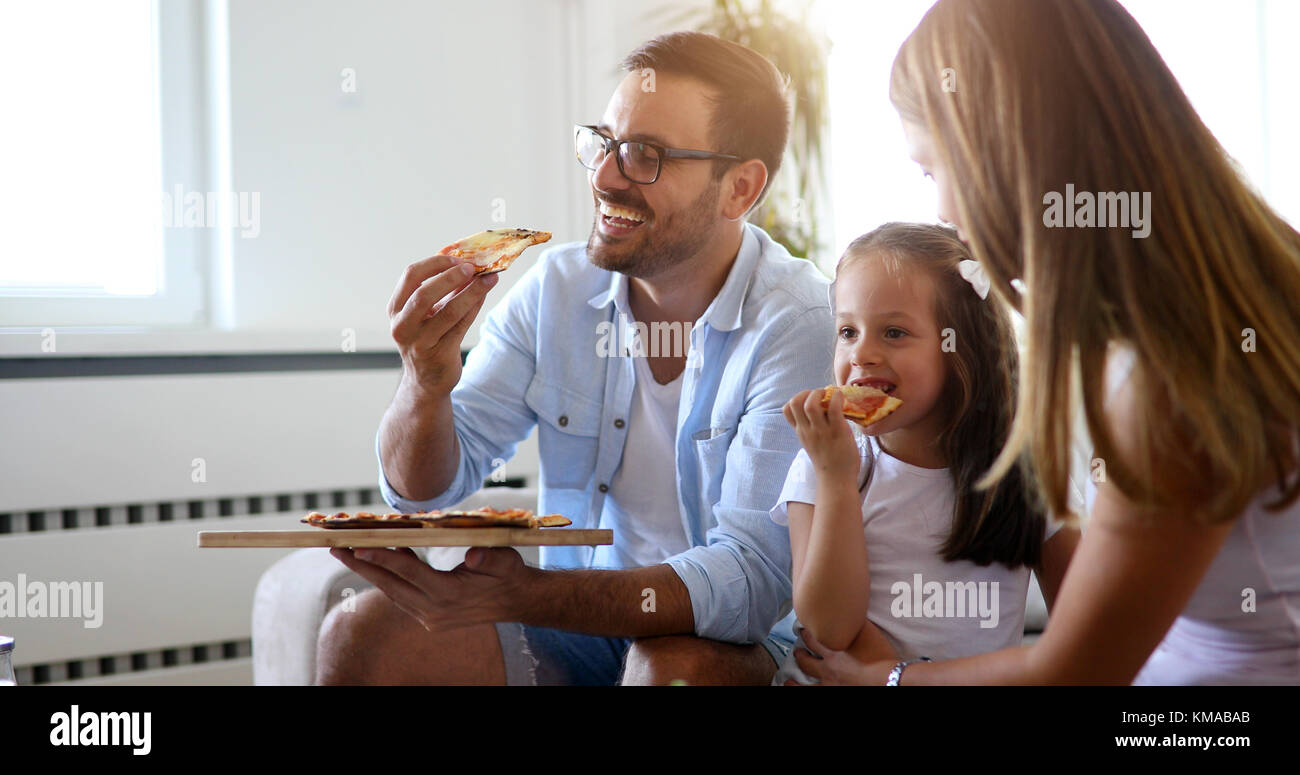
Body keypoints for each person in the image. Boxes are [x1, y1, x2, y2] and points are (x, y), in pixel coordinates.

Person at [793, 0, 1300, 685]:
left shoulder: (1170, 378)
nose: (943, 208)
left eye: (935, 168)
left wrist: (890, 678)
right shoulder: (1238, 291)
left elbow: (1076, 669)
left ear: (1007, 153)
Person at [316, 31, 834, 685]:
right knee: (361, 633)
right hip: (581, 624)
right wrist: (424, 381)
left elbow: (753, 582)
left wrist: (521, 593)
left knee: (668, 667)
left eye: (646, 155)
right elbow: (425, 491)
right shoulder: (556, 292)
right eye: (605, 142)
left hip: (746, 641)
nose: (605, 176)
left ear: (739, 188)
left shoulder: (800, 324)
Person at [772, 223, 1079, 685]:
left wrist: (897, 676)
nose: (862, 354)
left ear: (963, 350)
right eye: (848, 331)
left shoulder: (1028, 471)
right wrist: (836, 478)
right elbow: (828, 629)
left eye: (894, 332)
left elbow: (1085, 637)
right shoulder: (823, 464)